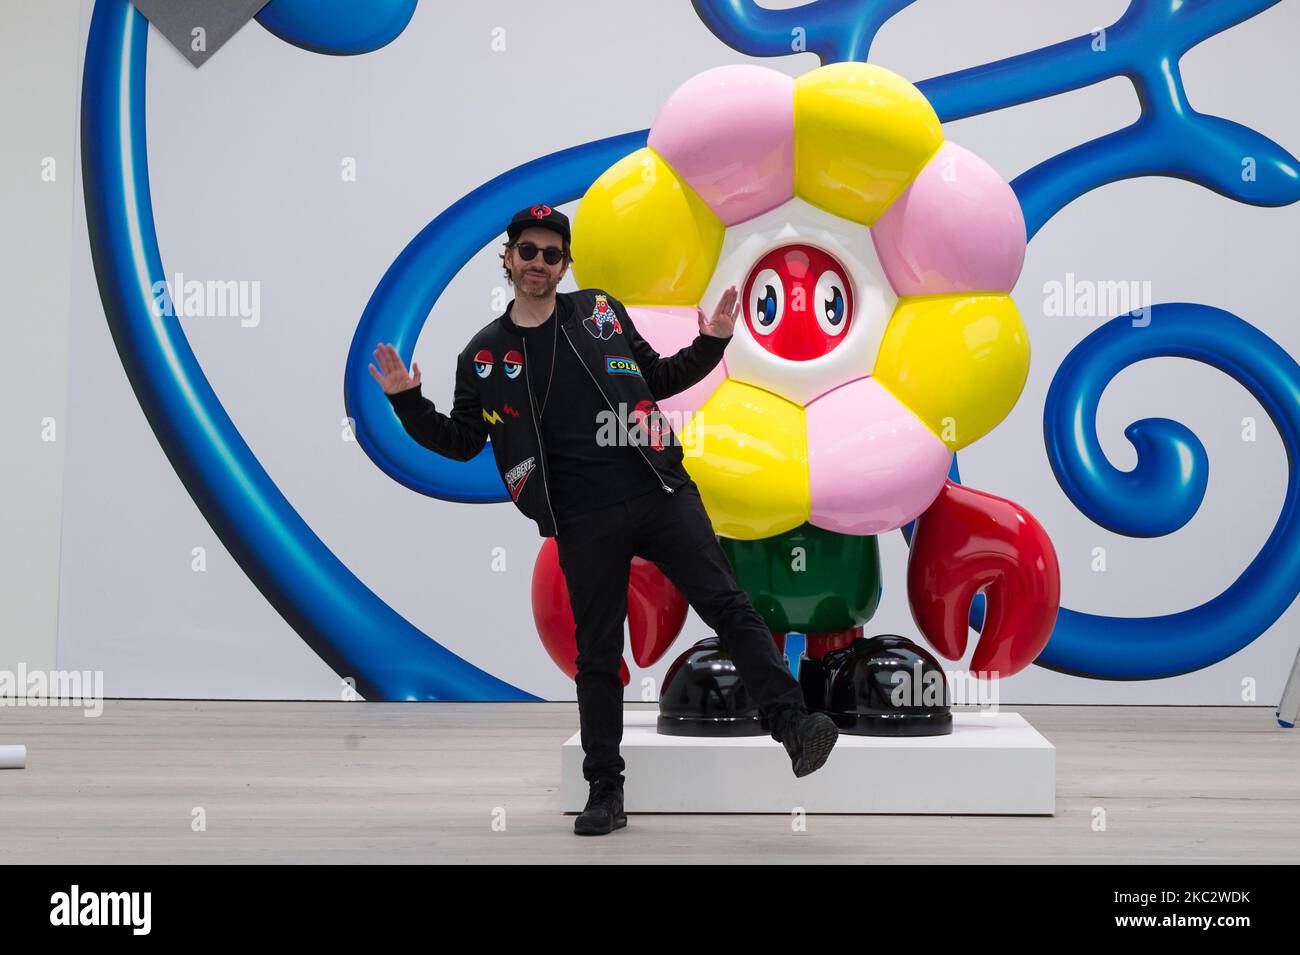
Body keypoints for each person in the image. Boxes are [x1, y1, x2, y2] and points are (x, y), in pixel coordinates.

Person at [369, 203, 839, 836]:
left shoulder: (598, 311)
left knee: (729, 606)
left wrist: (714, 341)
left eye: (551, 254)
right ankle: (605, 791)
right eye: (527, 251)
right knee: (597, 655)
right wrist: (405, 402)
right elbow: (459, 442)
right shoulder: (483, 356)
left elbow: (660, 378)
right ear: (507, 258)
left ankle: (794, 728)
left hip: (658, 489)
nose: (539, 263)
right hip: (580, 516)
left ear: (565, 264)